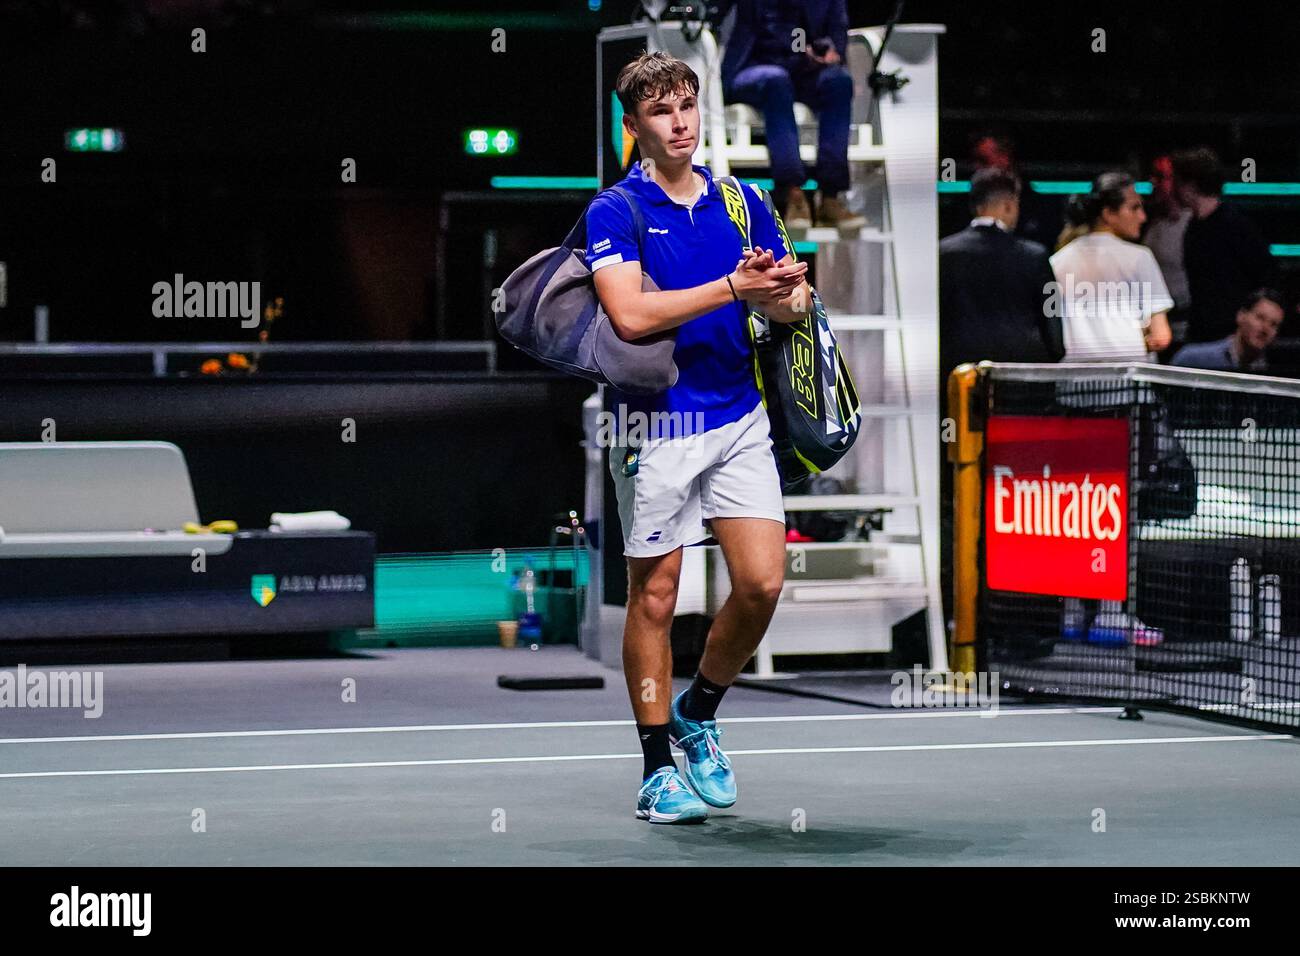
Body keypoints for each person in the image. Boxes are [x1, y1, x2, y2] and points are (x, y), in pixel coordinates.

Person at [587, 51, 810, 824]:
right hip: (655, 425)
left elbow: (793, 305)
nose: (679, 122)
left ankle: (700, 710)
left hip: (739, 416)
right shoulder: (615, 213)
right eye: (661, 111)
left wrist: (784, 293)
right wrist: (733, 287)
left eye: (687, 106)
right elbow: (631, 317)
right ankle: (655, 771)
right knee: (655, 596)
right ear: (634, 126)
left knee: (762, 583)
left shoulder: (744, 201)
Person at [938, 167, 1063, 629]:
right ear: (1009, 204)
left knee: (956, 496)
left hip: (955, 398)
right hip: (1021, 400)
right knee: (1016, 499)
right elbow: (1055, 332)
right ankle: (1013, 607)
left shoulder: (942, 254)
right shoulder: (1035, 255)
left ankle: (959, 609)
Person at [715, 0, 864, 230]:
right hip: (754, 67)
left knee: (839, 82)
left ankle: (830, 197)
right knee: (776, 80)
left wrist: (830, 54)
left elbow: (837, 37)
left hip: (805, 72)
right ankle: (793, 193)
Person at [1050, 172, 1174, 362]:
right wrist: (1130, 342)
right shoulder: (1140, 258)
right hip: (1127, 381)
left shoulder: (1056, 262)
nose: (1142, 217)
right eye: (1134, 208)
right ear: (1108, 213)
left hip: (1073, 381)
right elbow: (1161, 337)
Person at [1173, 147, 1276, 344]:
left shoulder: (1235, 225)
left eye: (1178, 182)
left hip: (1231, 335)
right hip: (1202, 331)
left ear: (1190, 185)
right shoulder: (1193, 227)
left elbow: (1264, 275)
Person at [1141, 155, 1193, 356]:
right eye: (1153, 176)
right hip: (1153, 324)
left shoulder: (1191, 223)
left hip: (1184, 324)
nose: (1154, 182)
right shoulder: (1147, 220)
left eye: (1161, 176)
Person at [1170, 288, 1285, 373]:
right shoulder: (1192, 359)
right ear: (1241, 316)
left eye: (1273, 324)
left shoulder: (1275, 371)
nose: (1265, 329)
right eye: (1260, 318)